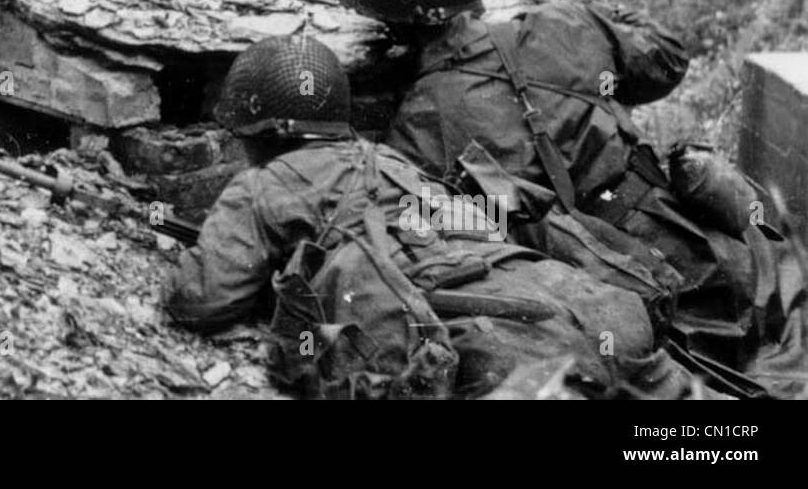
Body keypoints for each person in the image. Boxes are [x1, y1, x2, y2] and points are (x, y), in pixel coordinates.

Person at [351, 0, 796, 374]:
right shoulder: (562, 22)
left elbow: (441, 235)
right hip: (712, 249)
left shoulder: (419, 121)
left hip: (614, 289)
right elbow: (668, 57)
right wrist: (585, 7)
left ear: (403, 26)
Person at [164, 33, 692, 399]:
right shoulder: (394, 162)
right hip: (597, 309)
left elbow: (201, 299)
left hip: (506, 351)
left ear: (263, 133)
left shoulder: (260, 187)